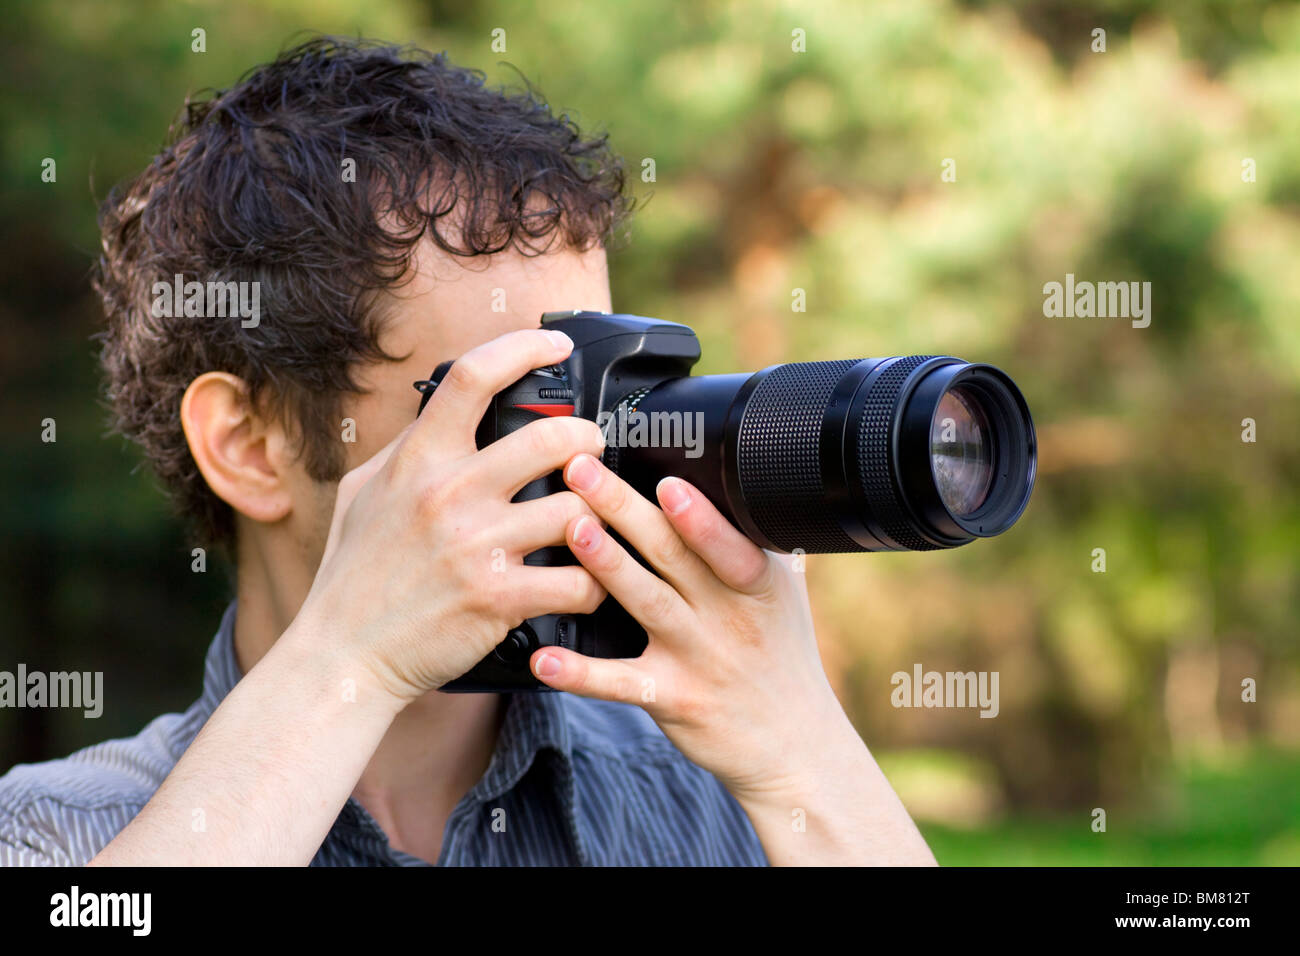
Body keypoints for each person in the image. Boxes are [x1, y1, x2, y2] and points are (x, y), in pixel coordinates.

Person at [0, 37, 935, 866]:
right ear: (249, 444)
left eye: (606, 382)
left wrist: (801, 747)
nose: (592, 452)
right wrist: (352, 662)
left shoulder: (716, 801)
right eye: (521, 393)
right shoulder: (62, 832)